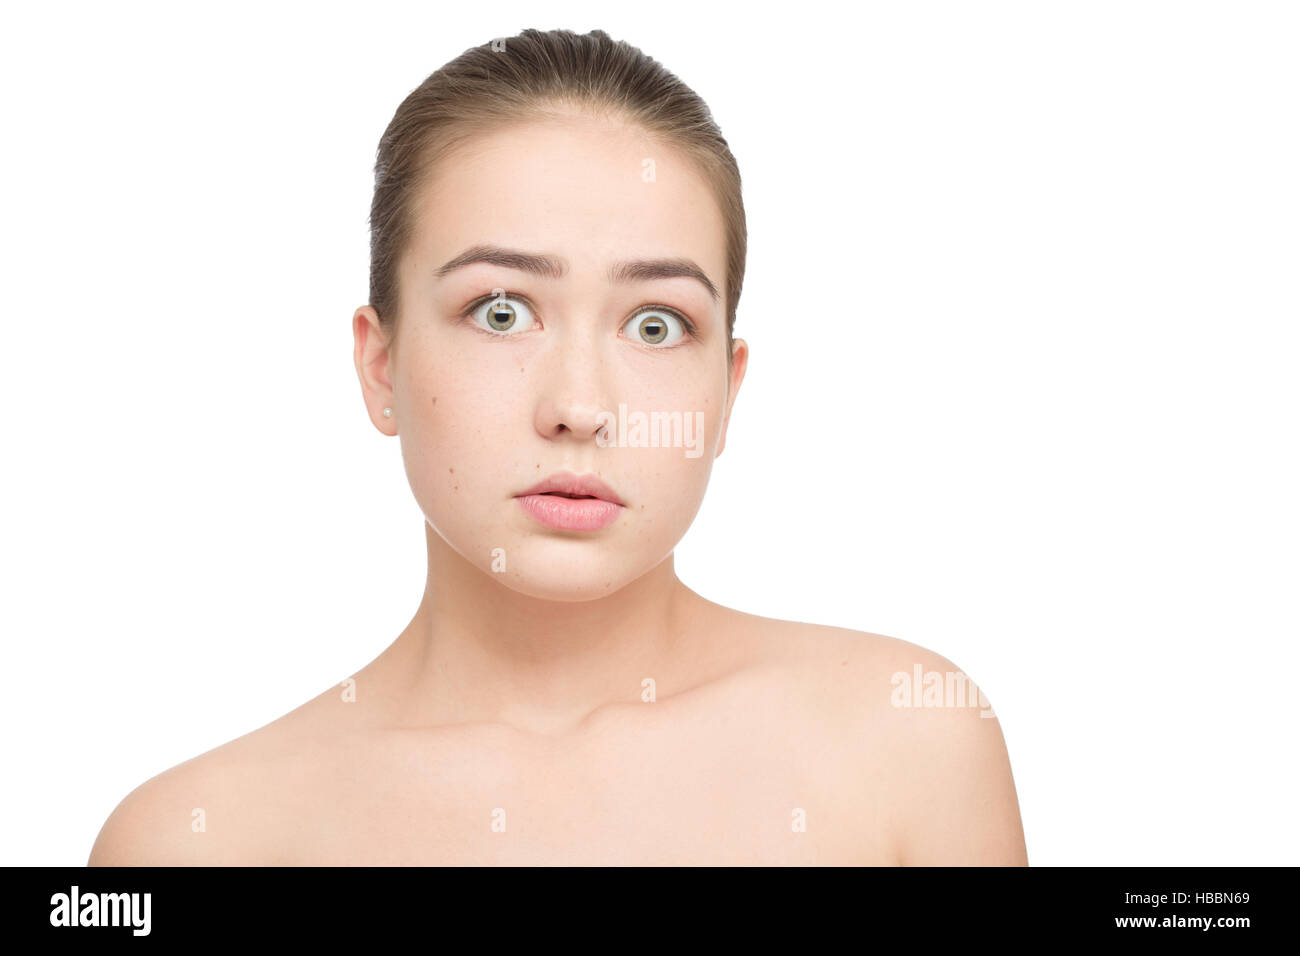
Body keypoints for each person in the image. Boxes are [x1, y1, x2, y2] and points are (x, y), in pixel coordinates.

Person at [89, 27, 1027, 866]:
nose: (579, 408)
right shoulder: (193, 843)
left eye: (656, 326)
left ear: (727, 391)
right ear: (381, 365)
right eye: (501, 312)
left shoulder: (908, 748)